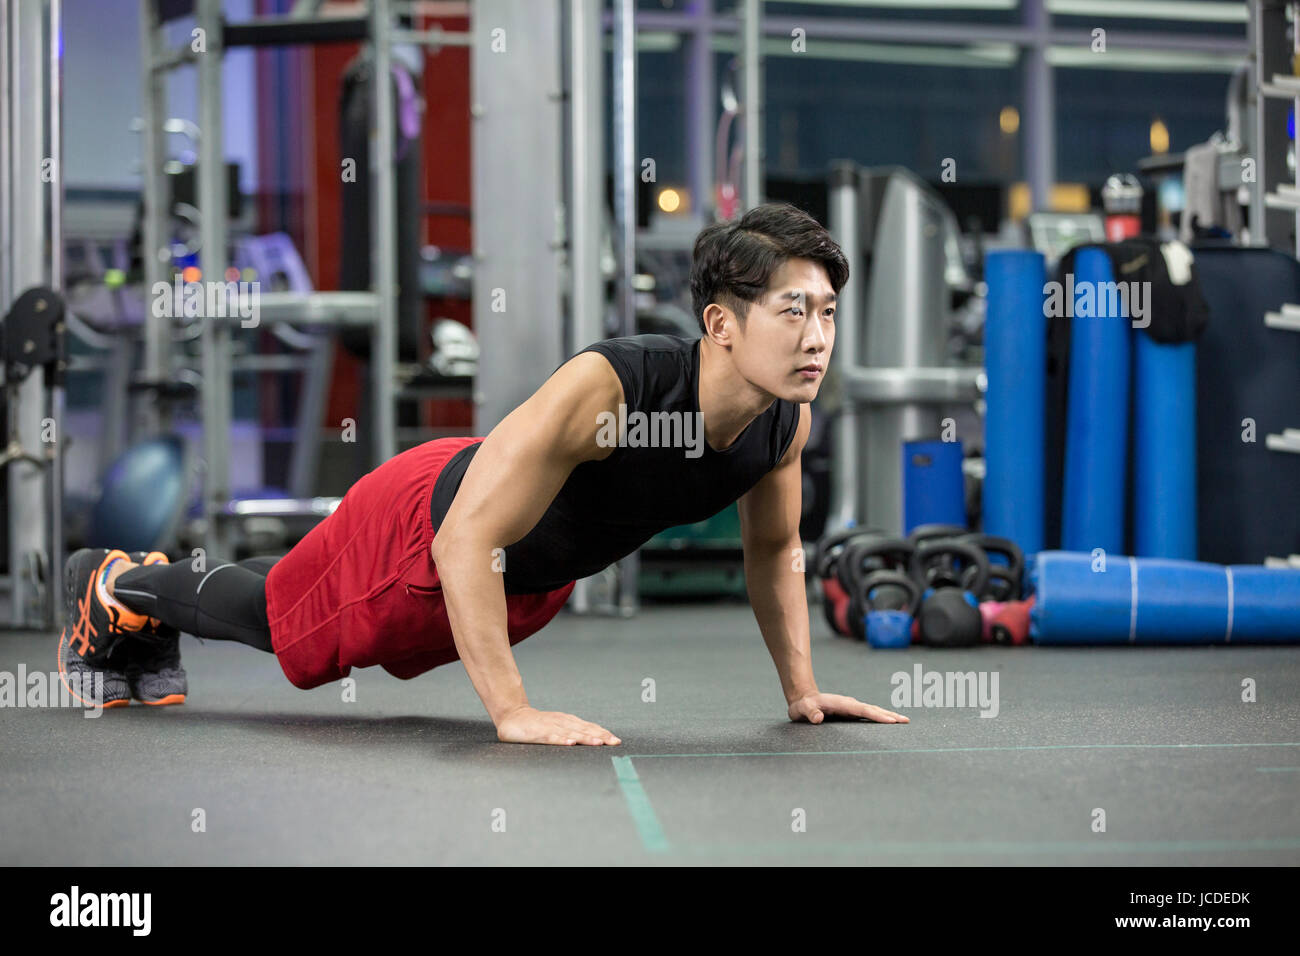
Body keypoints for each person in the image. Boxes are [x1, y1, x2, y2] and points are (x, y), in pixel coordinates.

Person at [58, 201, 909, 744]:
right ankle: (122, 587)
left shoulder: (782, 427)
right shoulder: (617, 385)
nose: (817, 336)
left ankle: (143, 595)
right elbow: (466, 534)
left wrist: (802, 690)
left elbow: (774, 554)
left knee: (295, 594)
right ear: (722, 323)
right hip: (428, 530)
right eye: (794, 310)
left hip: (518, 573)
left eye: (828, 312)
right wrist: (513, 711)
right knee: (290, 630)